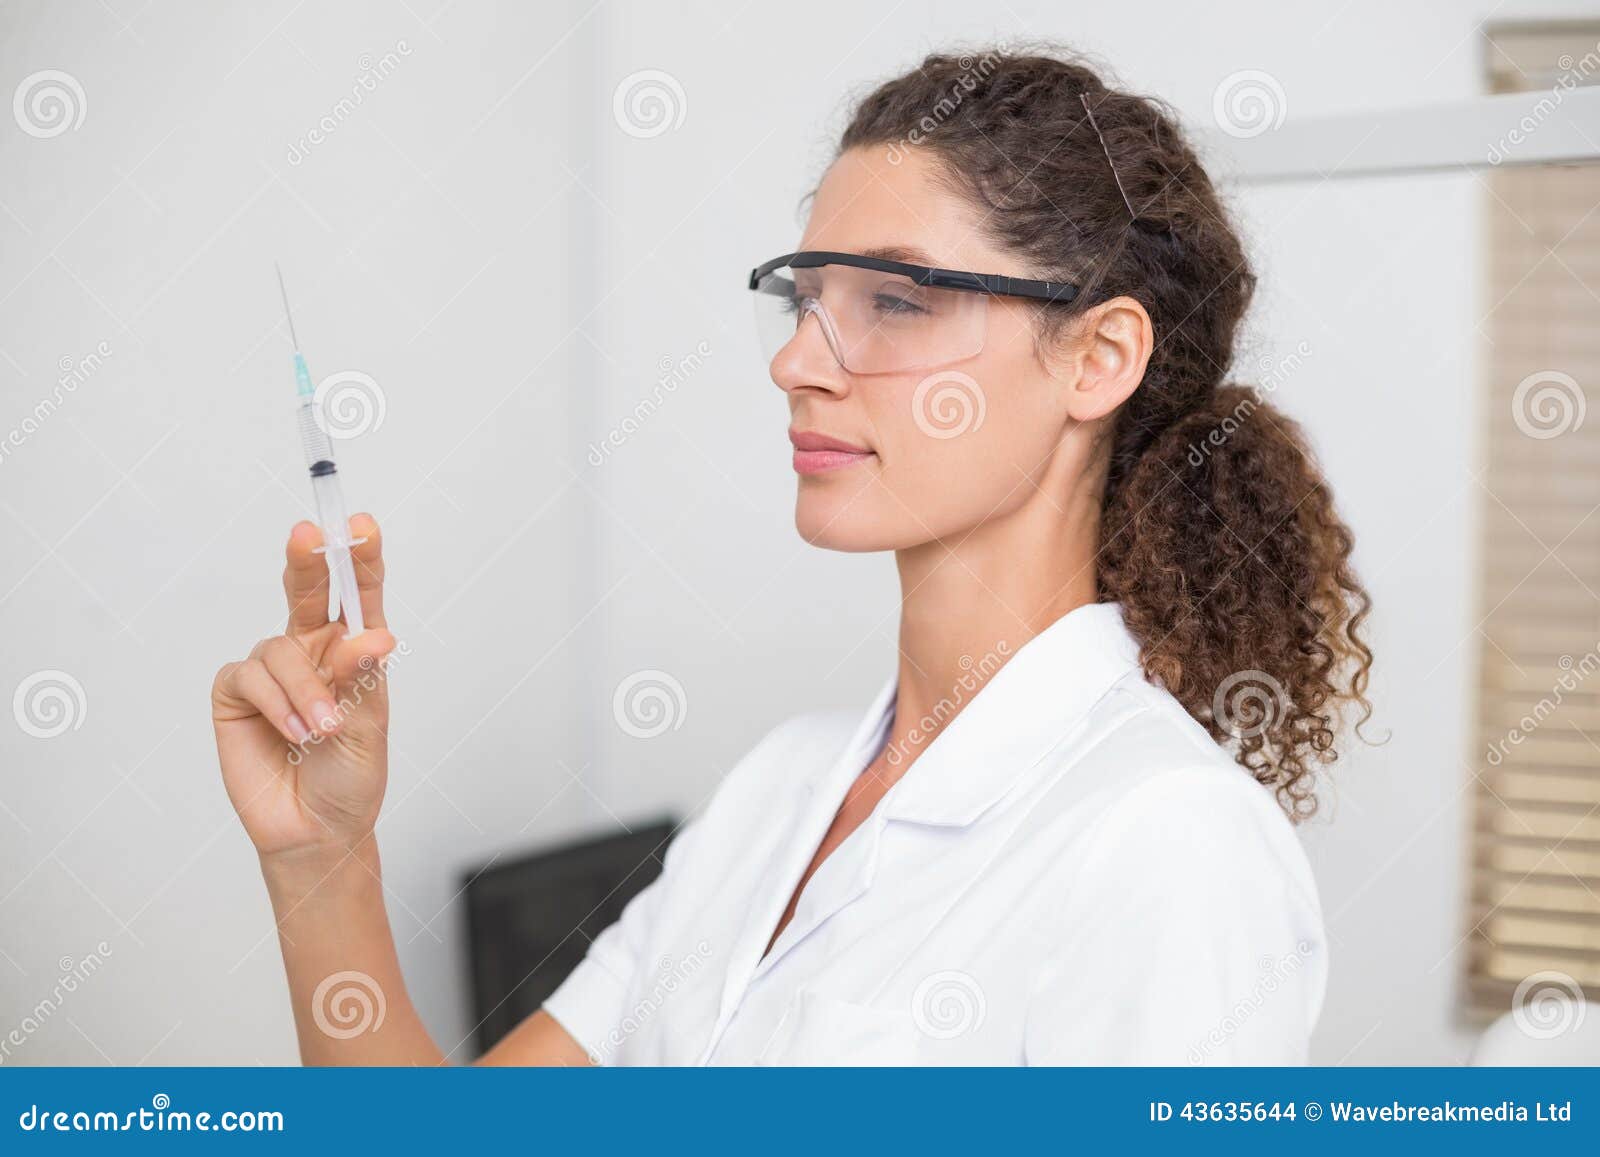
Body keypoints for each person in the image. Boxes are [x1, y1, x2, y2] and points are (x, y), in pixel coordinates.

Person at [211, 48, 1371, 1066]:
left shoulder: (1163, 841)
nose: (799, 365)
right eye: (805, 299)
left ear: (1098, 356)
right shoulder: (782, 788)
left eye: (897, 301)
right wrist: (324, 856)